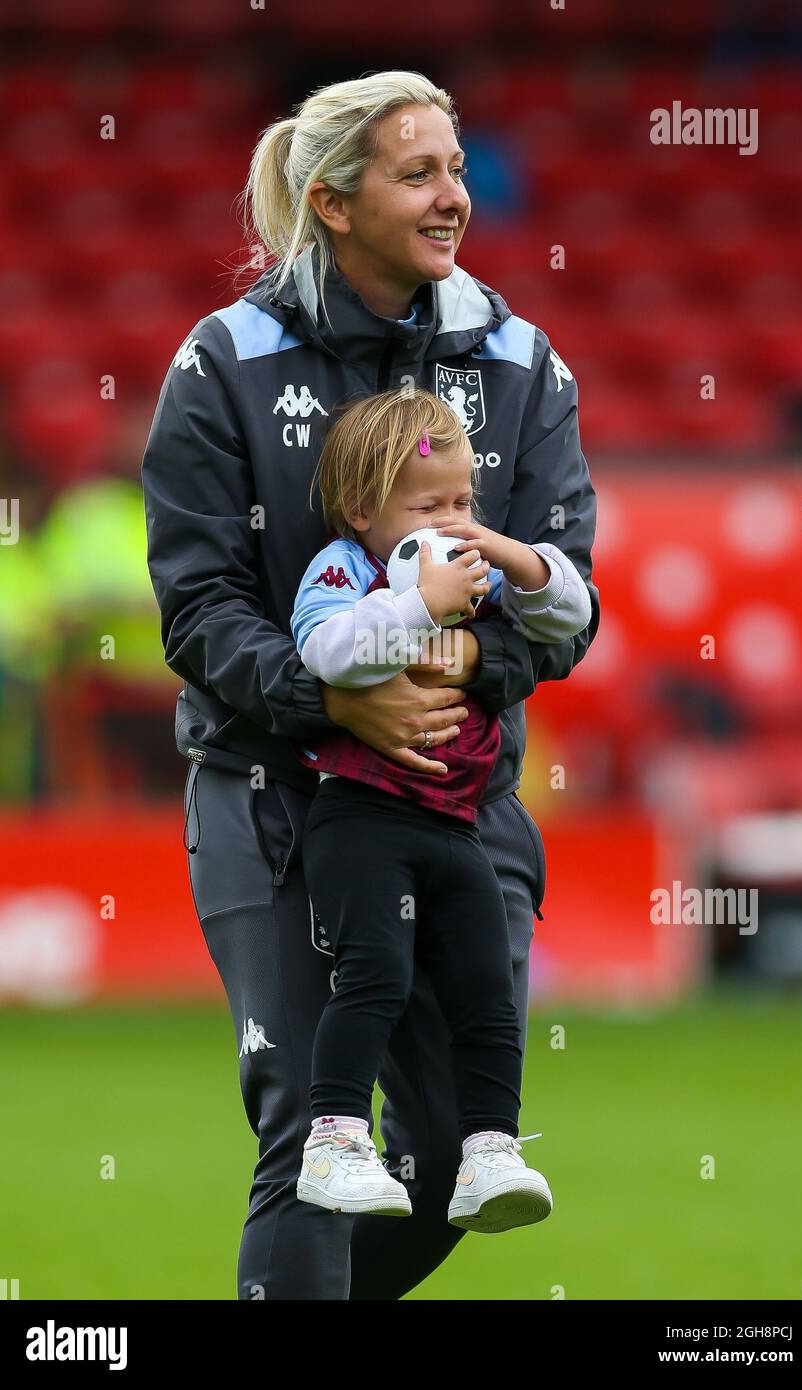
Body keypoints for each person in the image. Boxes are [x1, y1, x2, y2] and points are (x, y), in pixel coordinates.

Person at [142, 69, 600, 1299]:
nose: (455, 196)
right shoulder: (222, 361)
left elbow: (566, 591)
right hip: (275, 796)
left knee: (460, 1156)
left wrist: (455, 666)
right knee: (311, 1138)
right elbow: (196, 605)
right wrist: (328, 697)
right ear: (333, 203)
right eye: (419, 173)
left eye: (457, 169)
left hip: (461, 801)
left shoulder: (520, 359)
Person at [291, 387, 592, 1230]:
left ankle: (489, 1149)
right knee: (374, 974)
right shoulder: (343, 571)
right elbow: (326, 653)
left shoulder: (478, 565)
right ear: (361, 508)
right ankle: (336, 1139)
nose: (451, 520)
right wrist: (420, 603)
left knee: (487, 987)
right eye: (428, 504)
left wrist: (514, 556)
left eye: (464, 502)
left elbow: (569, 614)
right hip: (362, 816)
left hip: (457, 819)